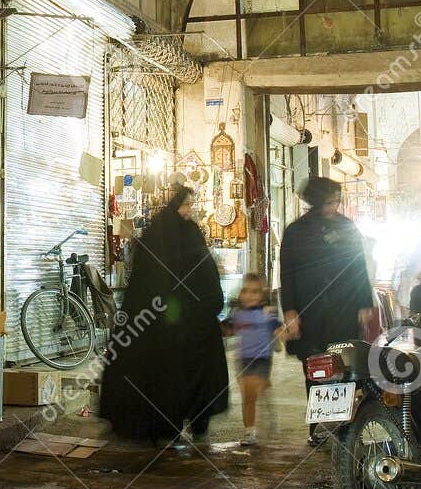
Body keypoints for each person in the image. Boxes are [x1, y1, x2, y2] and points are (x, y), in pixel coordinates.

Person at [98, 186, 230, 445]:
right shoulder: (169, 233)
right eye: (186, 205)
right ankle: (172, 424)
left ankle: (183, 423)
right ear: (176, 205)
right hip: (165, 319)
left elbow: (199, 271)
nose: (189, 210)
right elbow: (157, 276)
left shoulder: (173, 231)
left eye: (191, 205)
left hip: (173, 319)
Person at [279, 176, 373, 389]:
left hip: (344, 310)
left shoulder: (346, 227)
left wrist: (364, 303)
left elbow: (358, 266)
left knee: (346, 368)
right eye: (330, 201)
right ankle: (319, 421)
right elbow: (288, 273)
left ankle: (347, 421)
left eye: (337, 201)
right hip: (309, 312)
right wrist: (290, 311)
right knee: (316, 370)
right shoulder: (296, 231)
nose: (335, 206)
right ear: (317, 200)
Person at [224, 273, 282, 447]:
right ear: (241, 293)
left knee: (253, 391)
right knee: (248, 397)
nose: (250, 296)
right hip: (243, 360)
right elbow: (229, 330)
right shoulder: (236, 314)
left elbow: (279, 330)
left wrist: (287, 333)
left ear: (262, 294)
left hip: (262, 359)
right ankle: (249, 431)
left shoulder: (267, 314)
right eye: (247, 291)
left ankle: (260, 418)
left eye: (255, 292)